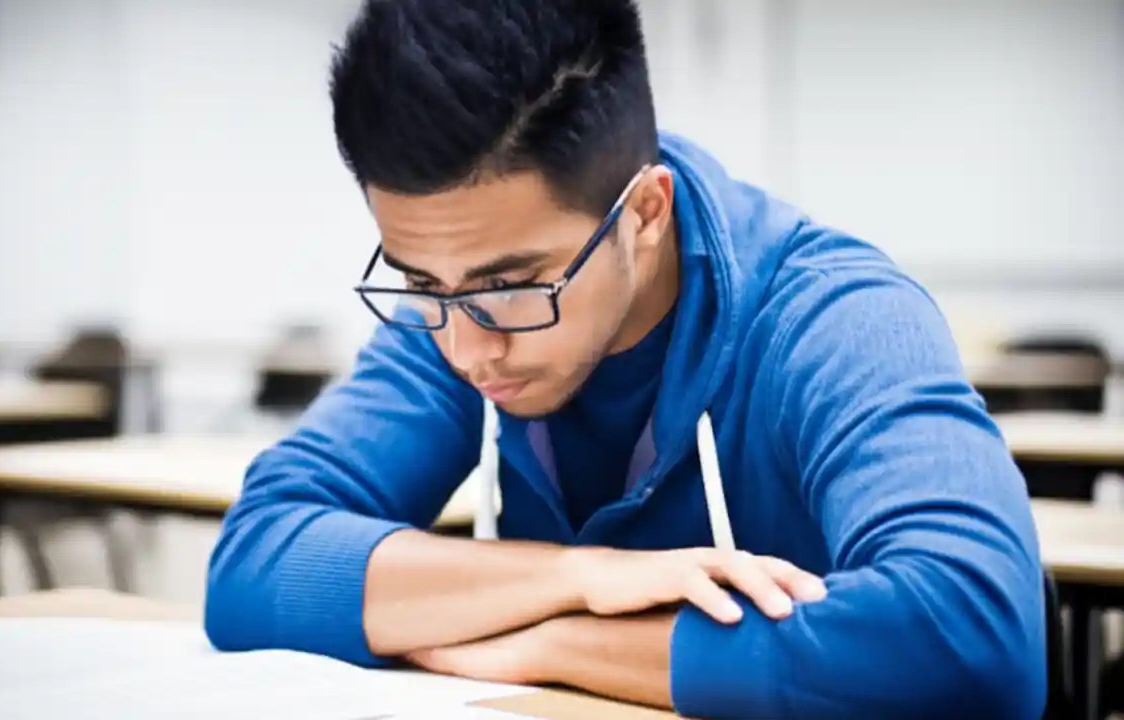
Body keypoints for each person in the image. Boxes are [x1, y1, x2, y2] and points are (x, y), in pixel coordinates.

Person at [206, 1, 1045, 717]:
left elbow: (973, 637)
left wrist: (563, 644)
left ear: (643, 214)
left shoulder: (832, 317)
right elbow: (258, 557)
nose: (466, 349)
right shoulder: (461, 302)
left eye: (513, 288)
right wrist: (579, 578)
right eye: (420, 282)